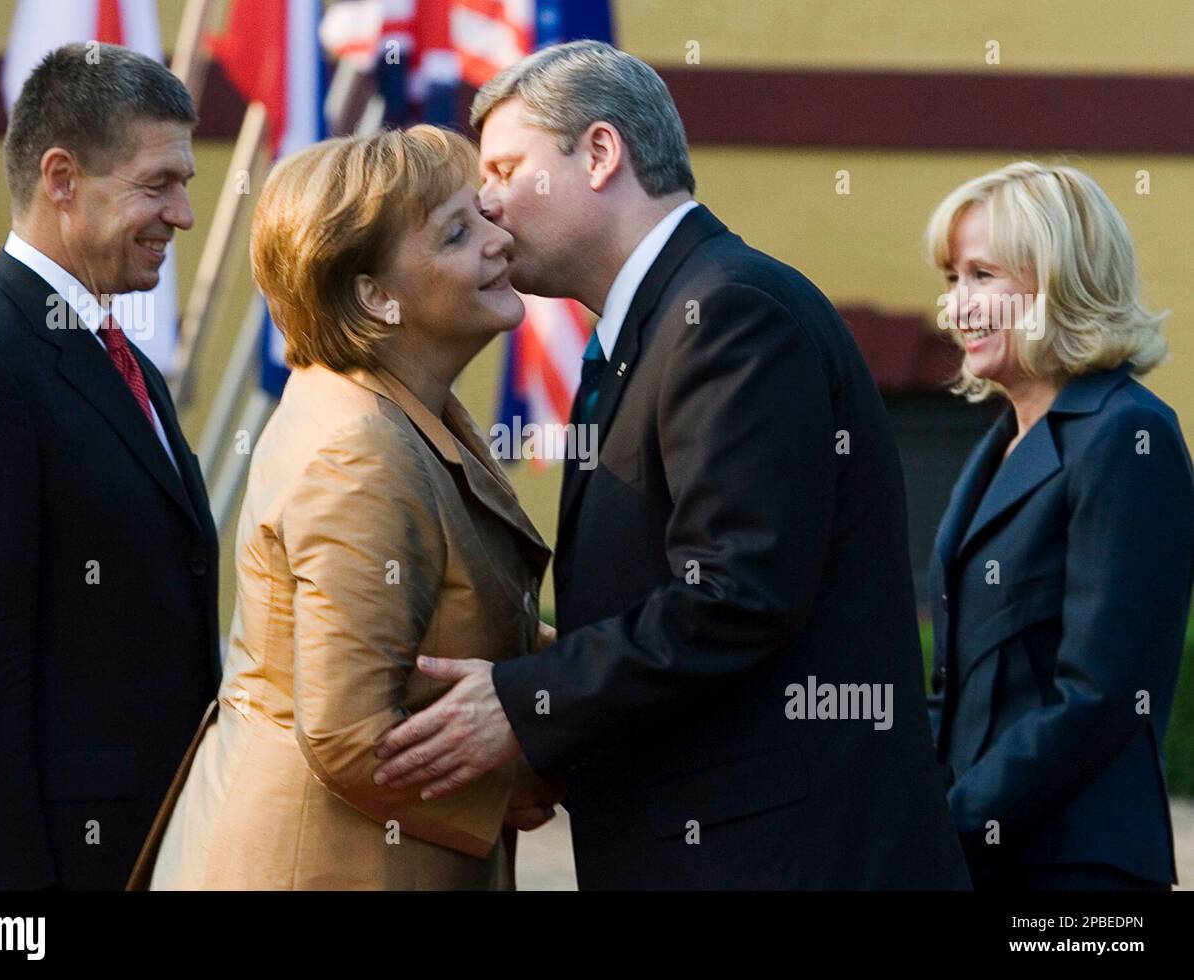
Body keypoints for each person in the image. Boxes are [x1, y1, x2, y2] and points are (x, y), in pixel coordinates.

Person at [373, 40, 970, 890]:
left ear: (602, 153)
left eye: (506, 168)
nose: (489, 205)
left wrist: (529, 699)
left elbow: (736, 594)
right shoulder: (665, 322)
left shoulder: (729, 313)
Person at [136, 125, 554, 890]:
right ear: (375, 296)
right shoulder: (359, 448)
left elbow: (458, 617)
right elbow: (352, 733)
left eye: (482, 217)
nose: (500, 240)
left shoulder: (407, 410)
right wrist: (524, 781)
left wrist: (601, 681)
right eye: (460, 232)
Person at [0, 44, 219, 890]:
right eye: (159, 185)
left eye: (185, 182)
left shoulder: (125, 360)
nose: (183, 215)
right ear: (62, 178)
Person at [923, 161, 1194, 890]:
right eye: (952, 279)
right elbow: (958, 694)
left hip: (1077, 872)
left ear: (1060, 283)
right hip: (983, 861)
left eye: (983, 275)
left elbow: (1100, 696)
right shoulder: (997, 442)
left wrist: (946, 826)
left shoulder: (1127, 435)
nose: (958, 307)